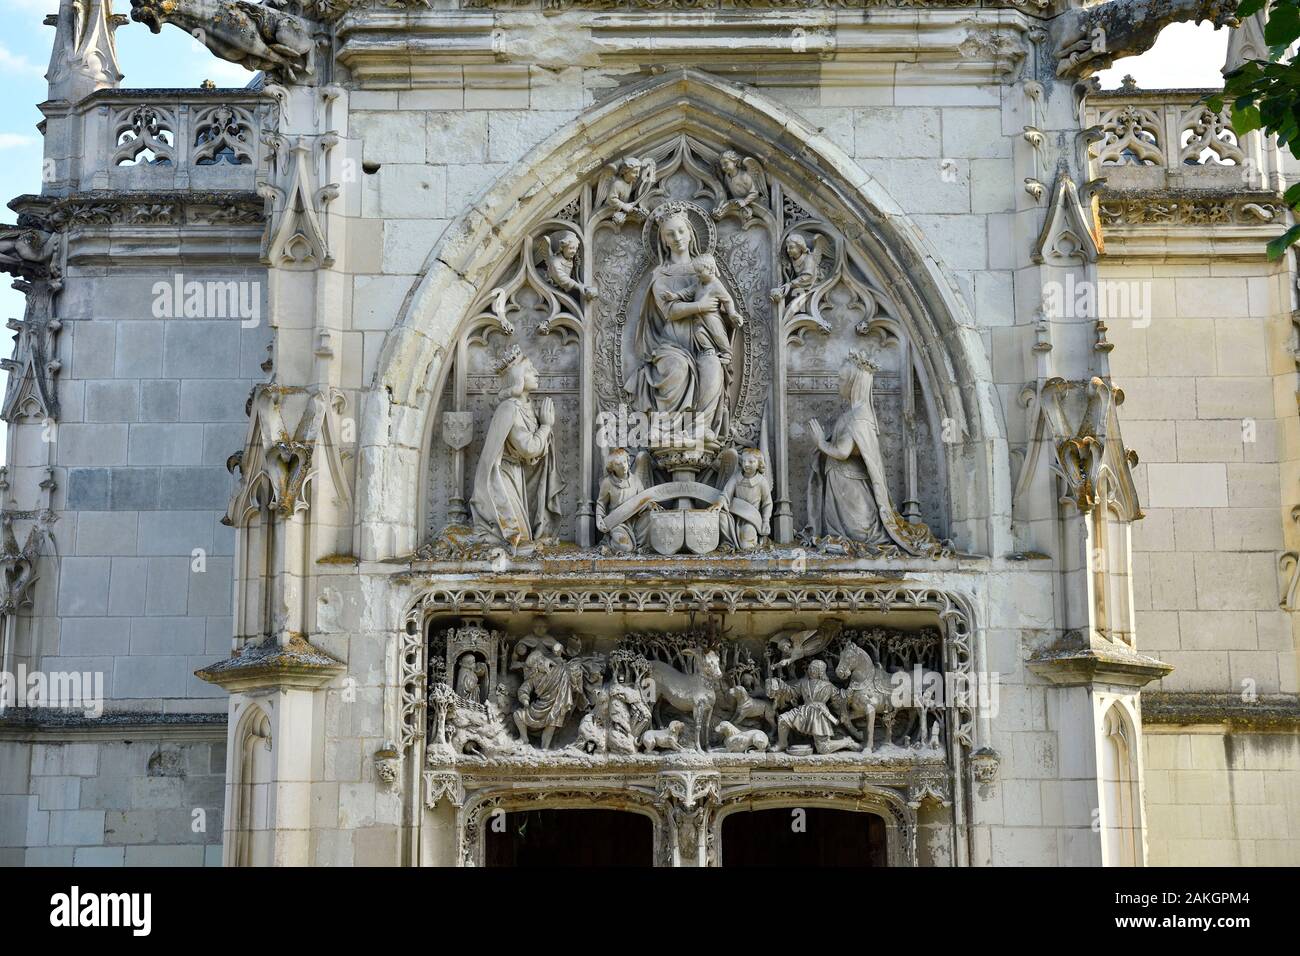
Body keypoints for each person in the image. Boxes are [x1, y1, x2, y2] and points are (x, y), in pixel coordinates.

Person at [469, 346, 564, 551]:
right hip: (502, 479)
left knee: (523, 540)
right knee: (518, 541)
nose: (537, 373)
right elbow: (529, 448)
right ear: (518, 377)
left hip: (515, 475)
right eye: (530, 370)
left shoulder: (524, 406)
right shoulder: (509, 408)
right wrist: (546, 426)